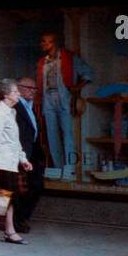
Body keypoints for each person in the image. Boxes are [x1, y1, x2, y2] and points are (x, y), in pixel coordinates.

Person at [0, 78, 35, 243]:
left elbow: (13, 140)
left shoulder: (10, 113)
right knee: (6, 198)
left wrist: (23, 159)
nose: (18, 94)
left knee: (4, 198)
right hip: (1, 163)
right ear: (6, 95)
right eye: (15, 92)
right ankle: (10, 232)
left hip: (10, 163)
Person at [36, 31, 92, 180]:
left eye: (45, 41)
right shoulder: (43, 61)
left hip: (63, 99)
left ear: (54, 42)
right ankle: (58, 168)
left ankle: (69, 169)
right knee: (52, 136)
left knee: (68, 135)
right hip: (48, 99)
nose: (42, 44)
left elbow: (88, 73)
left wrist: (77, 87)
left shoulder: (68, 57)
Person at [12, 75, 46, 235]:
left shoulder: (29, 106)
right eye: (29, 88)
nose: (33, 91)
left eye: (35, 89)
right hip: (19, 154)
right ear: (18, 88)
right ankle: (16, 221)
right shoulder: (15, 107)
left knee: (36, 185)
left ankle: (21, 218)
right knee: (20, 189)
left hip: (30, 153)